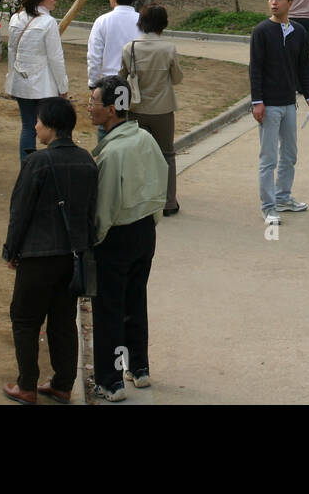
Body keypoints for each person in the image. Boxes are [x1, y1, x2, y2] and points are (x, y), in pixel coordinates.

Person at [1, 96, 98, 404]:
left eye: (40, 120)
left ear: (52, 126)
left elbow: (20, 211)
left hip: (38, 255)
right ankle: (62, 384)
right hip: (73, 257)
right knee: (62, 321)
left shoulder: (37, 162)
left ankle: (26, 385)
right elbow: (90, 211)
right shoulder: (87, 160)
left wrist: (11, 251)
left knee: (26, 319)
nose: (36, 125)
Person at [87, 75, 168, 402]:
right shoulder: (145, 139)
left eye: (93, 102)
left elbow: (103, 210)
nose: (89, 107)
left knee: (108, 307)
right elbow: (161, 177)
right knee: (135, 298)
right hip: (145, 231)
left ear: (110, 110)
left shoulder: (112, 154)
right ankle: (139, 367)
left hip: (116, 236)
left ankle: (110, 380)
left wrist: (95, 241)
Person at [249, 0, 309, 226]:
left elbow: (304, 67)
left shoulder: (299, 32)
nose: (274, 2)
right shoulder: (261, 31)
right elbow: (255, 68)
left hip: (290, 103)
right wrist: (257, 102)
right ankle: (268, 208)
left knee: (289, 154)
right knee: (269, 158)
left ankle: (283, 198)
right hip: (268, 105)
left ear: (290, 2)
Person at [123, 5, 184, 216]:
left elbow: (121, 78)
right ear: (164, 23)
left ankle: (139, 200)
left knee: (138, 154)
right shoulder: (168, 48)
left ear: (141, 22)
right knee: (167, 154)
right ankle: (168, 202)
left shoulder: (129, 48)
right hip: (163, 109)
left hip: (136, 109)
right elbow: (177, 78)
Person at [4, 0, 69, 164]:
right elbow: (55, 58)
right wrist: (62, 86)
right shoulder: (48, 23)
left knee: (28, 126)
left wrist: (11, 77)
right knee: (52, 127)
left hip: (21, 81)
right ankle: (52, 164)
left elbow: (12, 51)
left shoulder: (16, 18)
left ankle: (27, 165)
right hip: (44, 84)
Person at [86, 0, 143, 90]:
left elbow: (94, 56)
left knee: (113, 108)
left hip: (110, 82)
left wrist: (93, 83)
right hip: (138, 82)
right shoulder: (143, 21)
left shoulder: (102, 21)